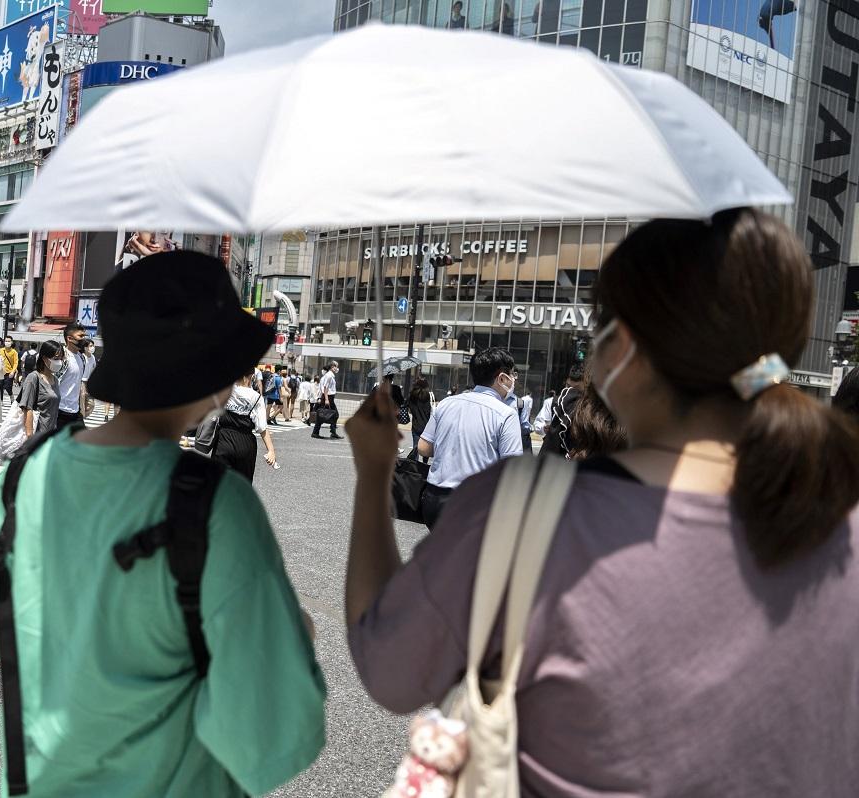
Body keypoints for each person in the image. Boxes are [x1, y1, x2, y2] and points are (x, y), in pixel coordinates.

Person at [344, 208, 859, 795]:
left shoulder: (524, 513)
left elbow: (389, 666)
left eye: (600, 327)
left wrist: (373, 473)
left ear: (628, 346)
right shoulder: (842, 520)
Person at [0, 251, 326, 797]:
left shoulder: (28, 475)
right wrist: (293, 641)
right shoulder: (217, 505)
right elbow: (260, 737)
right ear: (210, 371)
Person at [415, 348, 523, 527]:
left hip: (434, 498)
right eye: (513, 374)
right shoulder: (505, 414)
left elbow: (423, 447)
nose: (514, 379)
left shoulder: (446, 403)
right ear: (502, 378)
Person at [212, 371, 278, 482]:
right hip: (245, 442)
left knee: (218, 483)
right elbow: (262, 427)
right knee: (242, 484)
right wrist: (270, 450)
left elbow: (213, 415)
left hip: (223, 440)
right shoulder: (256, 397)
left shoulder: (225, 391)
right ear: (251, 376)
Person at [52, 322, 96, 432]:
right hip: (59, 411)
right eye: (80, 336)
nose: (84, 339)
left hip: (76, 412)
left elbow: (80, 382)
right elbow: (51, 382)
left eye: (84, 336)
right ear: (70, 338)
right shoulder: (61, 357)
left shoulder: (82, 358)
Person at [17, 340, 62, 438]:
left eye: (60, 358)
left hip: (50, 435)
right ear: (45, 358)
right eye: (55, 358)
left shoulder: (55, 380)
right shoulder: (33, 377)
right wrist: (30, 436)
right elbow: (27, 408)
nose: (59, 362)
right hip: (37, 435)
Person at [539, 364, 583, 456]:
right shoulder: (552, 402)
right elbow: (539, 424)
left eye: (576, 390)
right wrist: (544, 428)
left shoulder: (589, 407)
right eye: (568, 387)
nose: (570, 393)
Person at [312, 361, 341, 439]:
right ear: (332, 367)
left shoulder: (329, 375)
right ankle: (331, 432)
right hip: (328, 397)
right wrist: (326, 399)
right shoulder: (329, 376)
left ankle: (320, 432)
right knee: (333, 414)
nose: (337, 368)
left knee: (323, 414)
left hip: (327, 397)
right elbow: (325, 388)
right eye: (336, 367)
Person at [406, 377, 433, 462]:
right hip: (426, 426)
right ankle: (424, 465)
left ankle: (415, 467)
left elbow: (408, 406)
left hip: (416, 425)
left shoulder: (412, 395)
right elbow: (428, 410)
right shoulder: (427, 395)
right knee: (426, 448)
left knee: (415, 448)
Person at [0, 336, 19, 401]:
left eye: (9, 341)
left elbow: (16, 362)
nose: (7, 342)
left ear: (12, 342)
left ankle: (11, 395)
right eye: (6, 341)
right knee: (0, 386)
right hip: (1, 372)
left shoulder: (14, 352)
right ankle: (1, 401)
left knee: (8, 387)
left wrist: (13, 371)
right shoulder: (0, 350)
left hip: (10, 372)